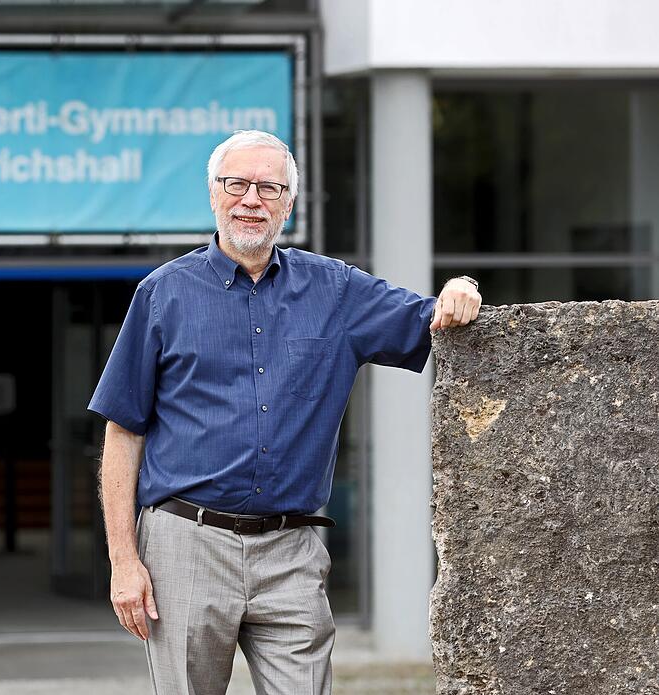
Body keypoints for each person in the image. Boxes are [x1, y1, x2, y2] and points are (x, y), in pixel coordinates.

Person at [88, 129, 481, 695]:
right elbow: (123, 432)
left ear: (289, 203)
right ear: (214, 194)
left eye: (269, 188)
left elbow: (433, 321)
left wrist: (461, 286)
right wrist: (124, 562)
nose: (253, 199)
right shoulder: (162, 294)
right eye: (238, 184)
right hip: (184, 546)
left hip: (291, 551)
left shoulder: (337, 290)